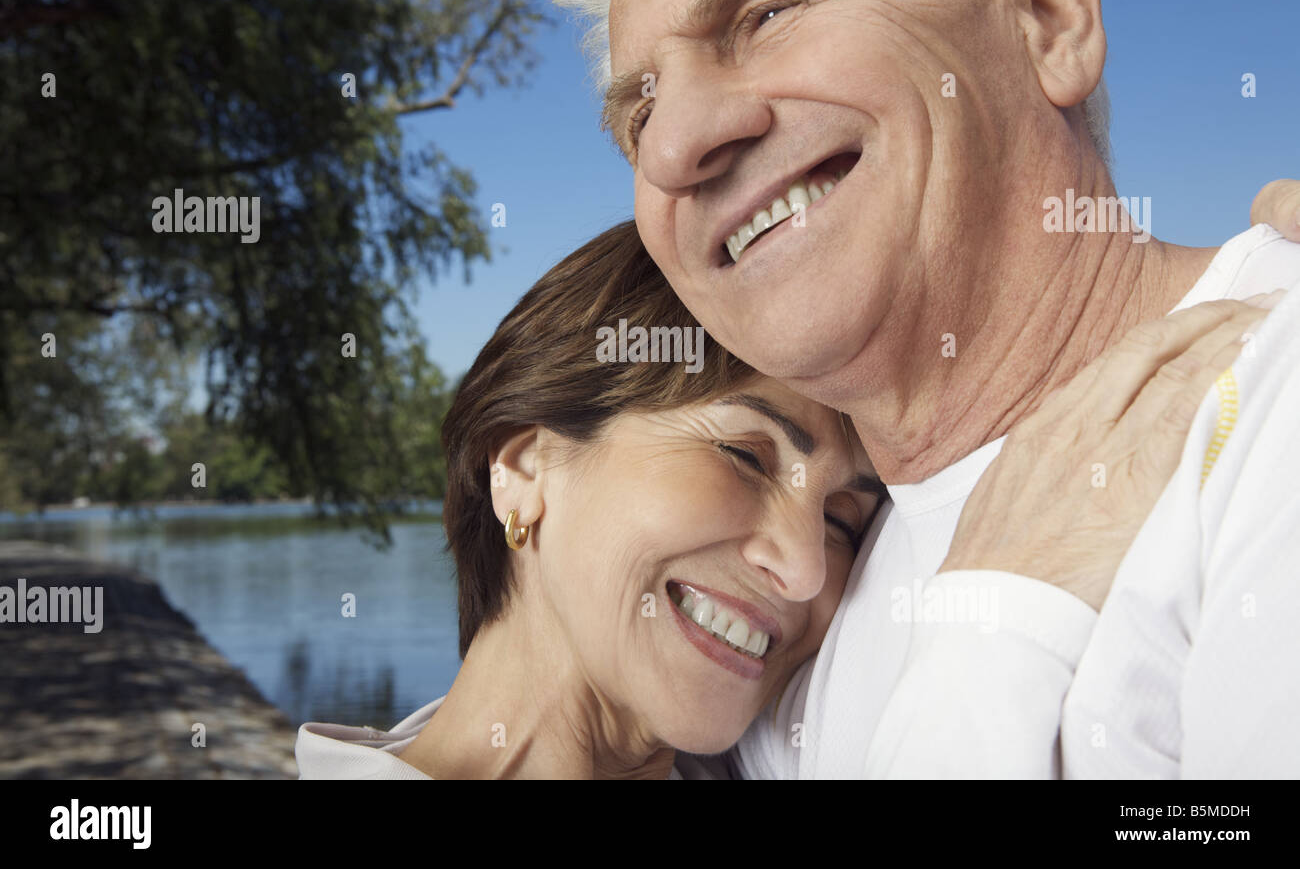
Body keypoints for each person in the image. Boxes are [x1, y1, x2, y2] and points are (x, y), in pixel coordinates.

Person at [547, 0, 1300, 776]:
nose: (675, 147)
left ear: (1046, 15)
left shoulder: (1278, 398)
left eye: (766, 16)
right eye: (639, 116)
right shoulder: (793, 620)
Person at [295, 220, 1279, 779]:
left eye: (847, 521)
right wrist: (992, 629)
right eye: (744, 454)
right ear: (525, 467)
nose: (807, 566)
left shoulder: (779, 732)